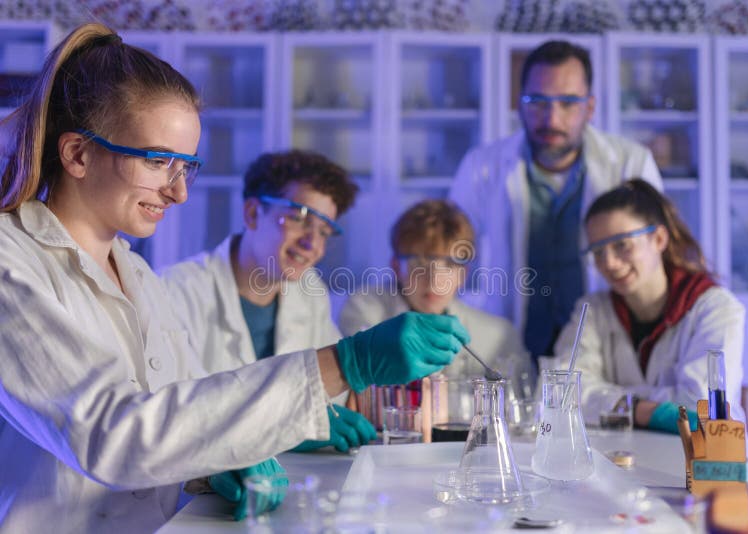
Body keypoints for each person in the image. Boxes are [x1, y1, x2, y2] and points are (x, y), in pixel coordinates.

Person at [0, 23, 469, 533]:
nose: (178, 193)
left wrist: (216, 462)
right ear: (78, 154)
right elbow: (115, 437)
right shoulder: (11, 264)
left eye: (187, 167)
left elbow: (180, 420)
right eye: (159, 161)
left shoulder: (135, 273)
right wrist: (344, 363)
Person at [449, 39, 663, 363]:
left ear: (590, 107)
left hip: (605, 351)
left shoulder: (630, 164)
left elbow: (653, 265)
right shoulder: (482, 168)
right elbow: (451, 260)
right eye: (537, 101)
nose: (551, 118)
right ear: (518, 104)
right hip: (507, 348)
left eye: (568, 102)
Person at [161, 149, 376, 453]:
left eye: (324, 231)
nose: (312, 244)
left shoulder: (309, 291)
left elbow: (333, 398)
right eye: (299, 218)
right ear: (251, 213)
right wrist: (286, 427)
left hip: (294, 479)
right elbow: (172, 420)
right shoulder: (175, 292)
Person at [552, 179, 745, 433]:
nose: (609, 263)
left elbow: (702, 404)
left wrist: (615, 402)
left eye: (622, 245)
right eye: (598, 252)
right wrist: (644, 409)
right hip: (627, 458)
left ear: (659, 239)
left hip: (707, 463)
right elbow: (560, 392)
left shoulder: (716, 308)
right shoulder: (593, 310)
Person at [339, 200, 532, 399]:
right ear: (396, 267)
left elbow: (520, 412)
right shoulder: (365, 312)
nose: (435, 280)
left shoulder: (498, 336)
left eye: (449, 265)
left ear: (463, 274)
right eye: (419, 263)